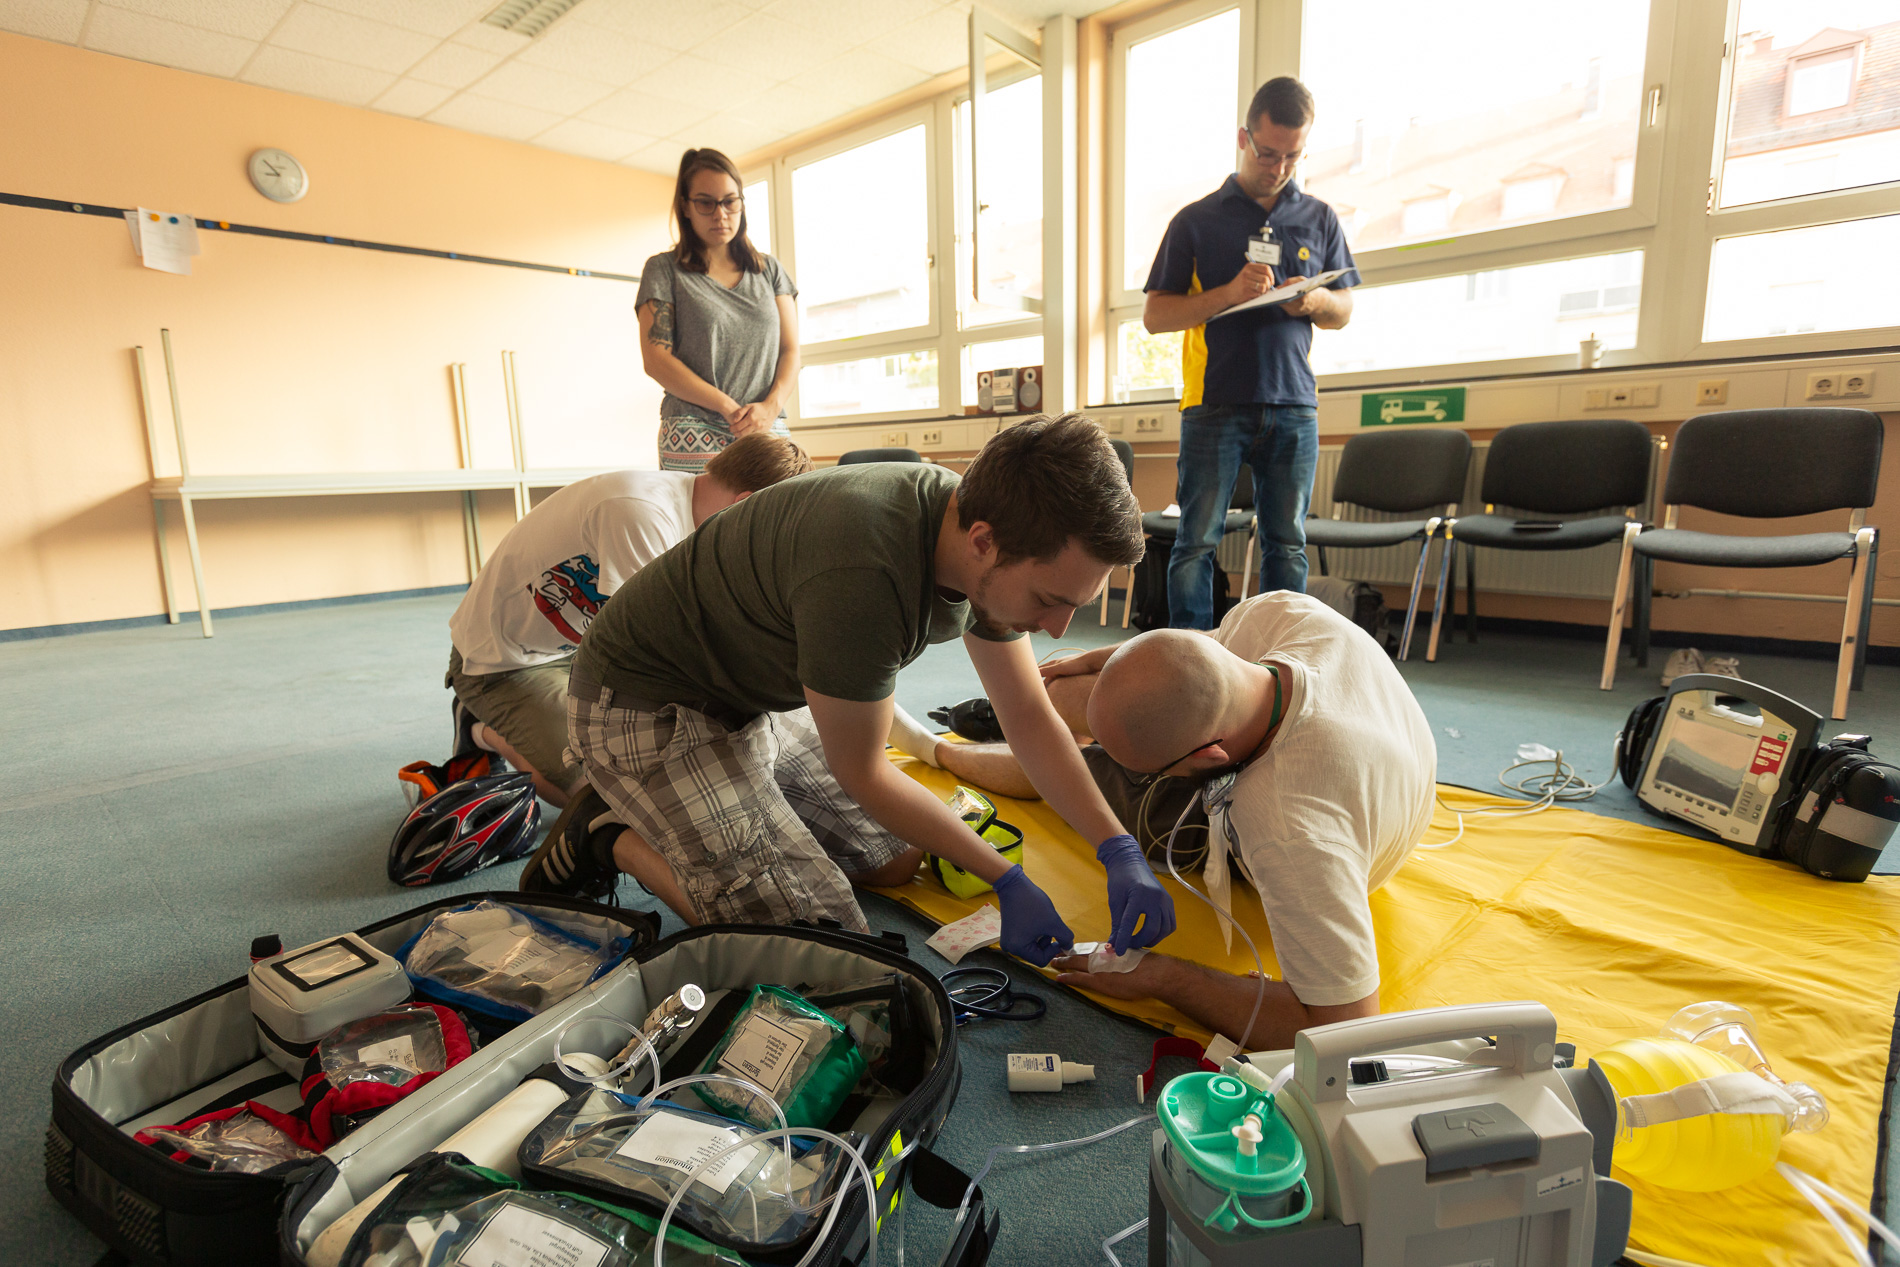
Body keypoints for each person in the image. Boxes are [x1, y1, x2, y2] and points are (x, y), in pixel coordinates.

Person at [519, 415, 1176, 966]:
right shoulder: (865, 570)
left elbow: (1029, 717)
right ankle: (606, 830)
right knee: (823, 950)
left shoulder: (978, 522)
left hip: (749, 695)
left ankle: (712, 817)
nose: (1060, 627)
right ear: (984, 543)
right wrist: (1007, 879)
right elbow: (864, 772)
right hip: (644, 705)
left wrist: (1116, 847)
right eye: (1050, 599)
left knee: (895, 858)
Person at [898, 592, 1435, 1051]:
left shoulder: (1286, 830)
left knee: (1085, 771)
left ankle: (938, 753)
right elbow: (1195, 645)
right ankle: (999, 726)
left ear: (1209, 759)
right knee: (1073, 688)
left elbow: (1345, 1027)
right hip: (1390, 772)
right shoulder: (1277, 615)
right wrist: (1098, 662)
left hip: (1343, 825)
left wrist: (1164, 977)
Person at [445, 433, 813, 807]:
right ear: (746, 505)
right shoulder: (641, 513)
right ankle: (482, 730)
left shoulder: (698, 510)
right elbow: (656, 653)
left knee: (645, 756)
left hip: (578, 649)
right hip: (501, 662)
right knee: (601, 794)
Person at [1143, 76, 1359, 628]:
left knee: (1286, 543)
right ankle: (1193, 658)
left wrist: (1310, 302)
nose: (1279, 166)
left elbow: (1345, 309)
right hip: (1214, 403)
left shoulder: (1320, 217)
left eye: (1293, 156)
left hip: (1293, 405)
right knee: (1196, 541)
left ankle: (1281, 655)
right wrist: (1230, 294)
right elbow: (1157, 316)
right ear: (1243, 137)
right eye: (1268, 152)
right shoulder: (1195, 221)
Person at [638, 148, 798, 472]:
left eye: (730, 201)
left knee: (778, 521)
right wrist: (727, 407)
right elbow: (656, 360)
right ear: (686, 206)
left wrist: (770, 408)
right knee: (706, 524)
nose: (720, 214)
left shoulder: (770, 271)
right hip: (693, 432)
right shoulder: (664, 270)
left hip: (766, 428)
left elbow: (790, 349)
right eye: (706, 202)